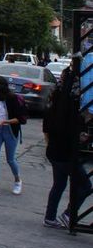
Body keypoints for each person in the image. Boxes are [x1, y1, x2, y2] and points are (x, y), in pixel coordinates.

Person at [43, 67, 92, 228]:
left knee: (59, 184)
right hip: (65, 153)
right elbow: (69, 126)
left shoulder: (55, 99)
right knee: (85, 186)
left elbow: (47, 128)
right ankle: (68, 214)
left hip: (55, 151)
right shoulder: (69, 103)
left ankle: (50, 217)